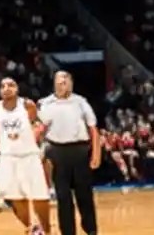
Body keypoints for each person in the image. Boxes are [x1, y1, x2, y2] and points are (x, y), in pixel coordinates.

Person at [0, 77, 51, 235]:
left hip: (29, 155)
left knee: (39, 197)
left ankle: (46, 229)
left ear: (17, 89)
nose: (6, 88)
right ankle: (33, 228)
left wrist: (40, 144)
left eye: (11, 85)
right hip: (8, 157)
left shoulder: (28, 105)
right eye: (3, 86)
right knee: (14, 199)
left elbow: (39, 125)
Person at [38, 71, 99, 235]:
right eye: (58, 80)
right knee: (63, 198)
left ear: (71, 83)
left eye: (65, 80)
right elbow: (40, 130)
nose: (61, 83)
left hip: (80, 152)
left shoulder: (81, 102)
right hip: (57, 153)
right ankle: (68, 232)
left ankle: (91, 230)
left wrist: (96, 154)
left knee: (84, 196)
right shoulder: (45, 104)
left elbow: (93, 128)